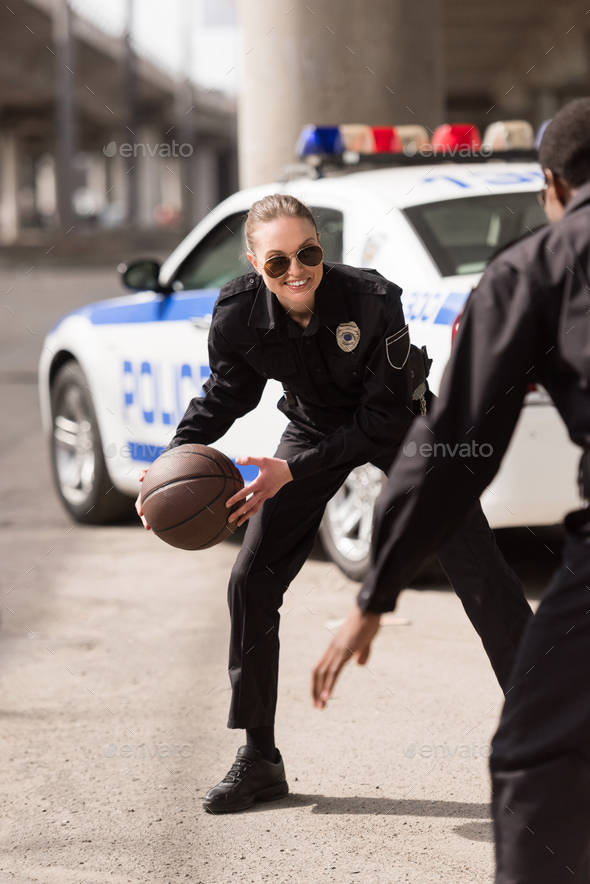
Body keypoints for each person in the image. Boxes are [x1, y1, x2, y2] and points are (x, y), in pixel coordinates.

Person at [136, 193, 531, 814]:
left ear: (323, 248)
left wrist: (288, 471)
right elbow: (228, 394)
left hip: (402, 429)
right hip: (313, 427)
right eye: (277, 262)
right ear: (252, 263)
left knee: (480, 567)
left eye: (308, 253)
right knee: (252, 579)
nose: (296, 270)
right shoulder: (239, 314)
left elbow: (382, 420)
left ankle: (555, 740)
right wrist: (173, 458)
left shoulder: (375, 301)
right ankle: (260, 759)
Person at [312, 97, 590, 882]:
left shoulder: (536, 267)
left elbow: (456, 450)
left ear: (553, 186)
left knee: (536, 751)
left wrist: (375, 596)